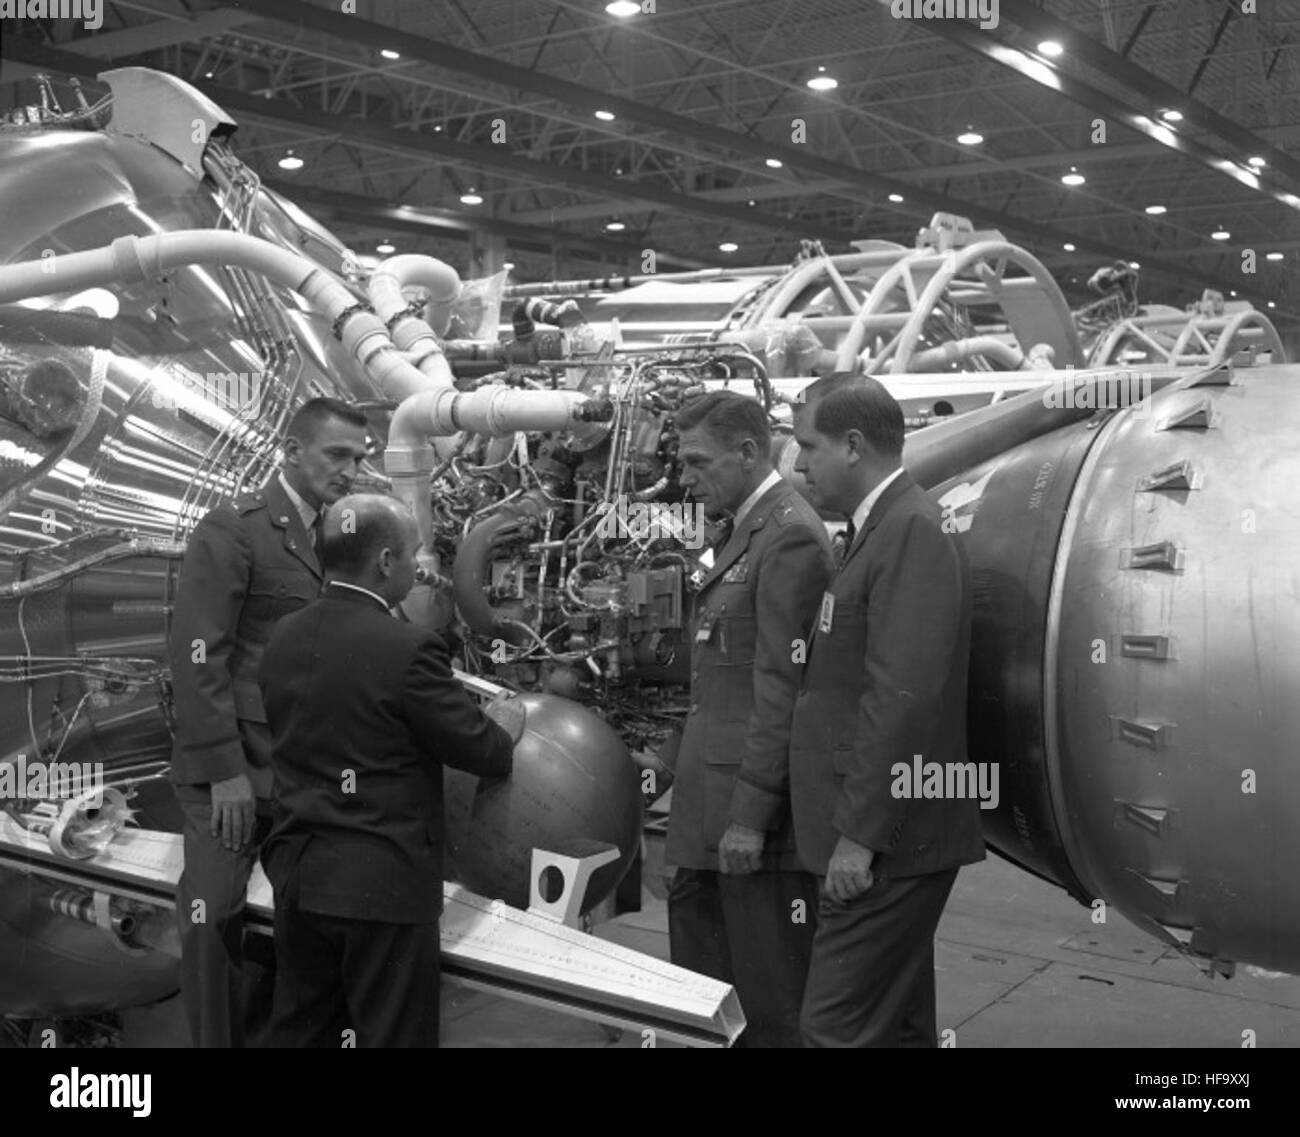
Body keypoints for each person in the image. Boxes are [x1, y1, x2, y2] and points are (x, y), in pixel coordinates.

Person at [258, 494, 521, 1048]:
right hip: (381, 885)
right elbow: (483, 752)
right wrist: (500, 722)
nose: (419, 568)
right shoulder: (408, 649)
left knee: (302, 1029)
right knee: (392, 1034)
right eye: (412, 555)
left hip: (300, 874)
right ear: (383, 562)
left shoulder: (282, 636)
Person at [789, 375, 985, 1048]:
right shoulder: (880, 527)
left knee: (832, 1030)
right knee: (895, 1027)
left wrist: (861, 835)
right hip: (886, 835)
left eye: (806, 446)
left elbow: (902, 698)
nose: (797, 465)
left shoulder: (908, 531)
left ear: (851, 445)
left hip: (887, 843)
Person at [168, 396, 370, 1047]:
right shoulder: (236, 530)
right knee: (212, 915)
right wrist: (224, 772)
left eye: (359, 459)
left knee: (336, 915)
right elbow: (198, 656)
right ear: (291, 450)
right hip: (234, 771)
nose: (350, 470)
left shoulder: (341, 541)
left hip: (305, 771)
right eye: (337, 455)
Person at [650, 390, 833, 1047]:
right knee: (707, 997)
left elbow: (784, 687)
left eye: (699, 461)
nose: (685, 476)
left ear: (749, 452)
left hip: (746, 820)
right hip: (709, 804)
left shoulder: (788, 537)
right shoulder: (746, 530)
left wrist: (750, 818)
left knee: (766, 998)